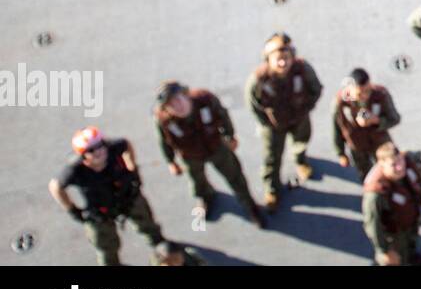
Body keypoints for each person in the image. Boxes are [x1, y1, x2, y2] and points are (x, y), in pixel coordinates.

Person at [48, 127, 167, 265]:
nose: (98, 151)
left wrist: (133, 168)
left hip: (128, 197)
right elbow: (55, 186)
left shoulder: (114, 148)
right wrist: (72, 209)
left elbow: (127, 144)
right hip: (100, 212)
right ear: (83, 155)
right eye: (91, 150)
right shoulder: (76, 170)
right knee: (106, 247)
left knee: (148, 224)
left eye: (100, 146)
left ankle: (161, 247)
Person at [154, 81, 265, 227]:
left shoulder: (204, 100)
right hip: (190, 155)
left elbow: (223, 115)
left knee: (235, 176)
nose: (178, 106)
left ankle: (249, 205)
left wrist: (230, 136)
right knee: (197, 181)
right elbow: (164, 141)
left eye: (179, 99)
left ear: (186, 95)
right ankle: (206, 197)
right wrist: (171, 162)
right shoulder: (165, 121)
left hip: (216, 147)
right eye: (171, 104)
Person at [245, 32, 322, 210]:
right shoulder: (258, 80)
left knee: (301, 142)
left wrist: (305, 109)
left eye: (286, 58)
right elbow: (253, 105)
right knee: (272, 158)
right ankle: (271, 188)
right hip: (273, 125)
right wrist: (267, 123)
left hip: (299, 118)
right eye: (278, 58)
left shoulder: (302, 69)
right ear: (268, 59)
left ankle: (300, 161)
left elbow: (315, 89)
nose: (283, 63)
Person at [362, 143, 421, 265]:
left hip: (411, 218)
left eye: (400, 161)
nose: (400, 167)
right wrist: (384, 251)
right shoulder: (375, 194)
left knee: (411, 243)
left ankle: (411, 255)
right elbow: (372, 226)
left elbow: (419, 166)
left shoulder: (407, 161)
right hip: (396, 232)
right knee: (397, 258)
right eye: (393, 164)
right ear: (382, 164)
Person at [332, 68, 401, 180]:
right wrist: (341, 153)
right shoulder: (341, 102)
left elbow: (395, 119)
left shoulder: (380, 95)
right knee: (366, 174)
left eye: (368, 90)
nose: (365, 96)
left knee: (391, 169)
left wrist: (376, 120)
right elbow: (336, 128)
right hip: (357, 144)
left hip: (379, 141)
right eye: (360, 93)